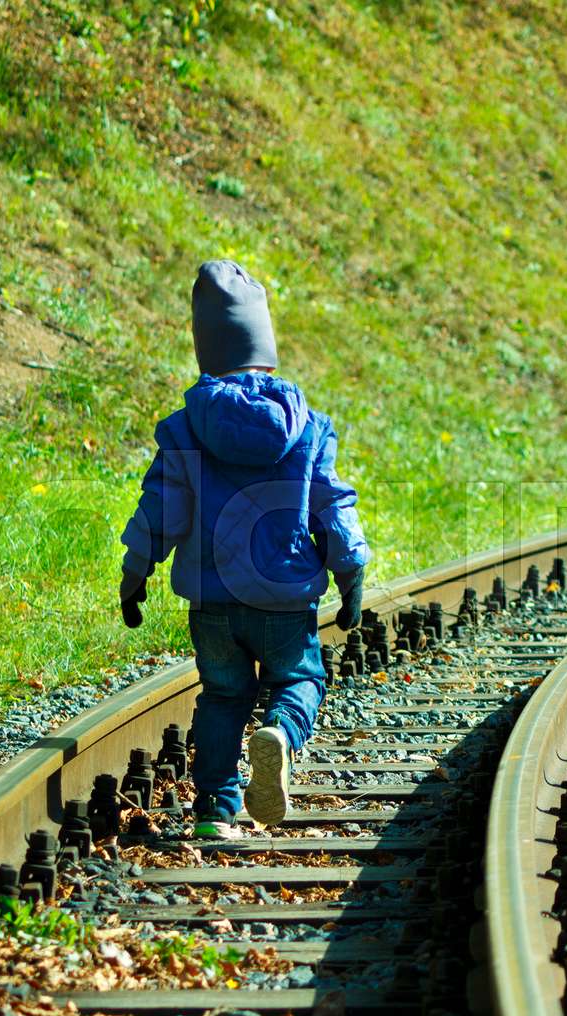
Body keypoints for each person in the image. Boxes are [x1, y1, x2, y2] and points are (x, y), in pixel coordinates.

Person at [117, 260, 368, 837]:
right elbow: (331, 505)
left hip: (212, 602)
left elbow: (162, 510)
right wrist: (351, 571)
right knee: (300, 679)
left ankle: (215, 811)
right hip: (282, 594)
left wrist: (135, 572)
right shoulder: (307, 427)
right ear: (268, 346)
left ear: (205, 349)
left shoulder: (184, 429)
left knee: (224, 697)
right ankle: (280, 731)